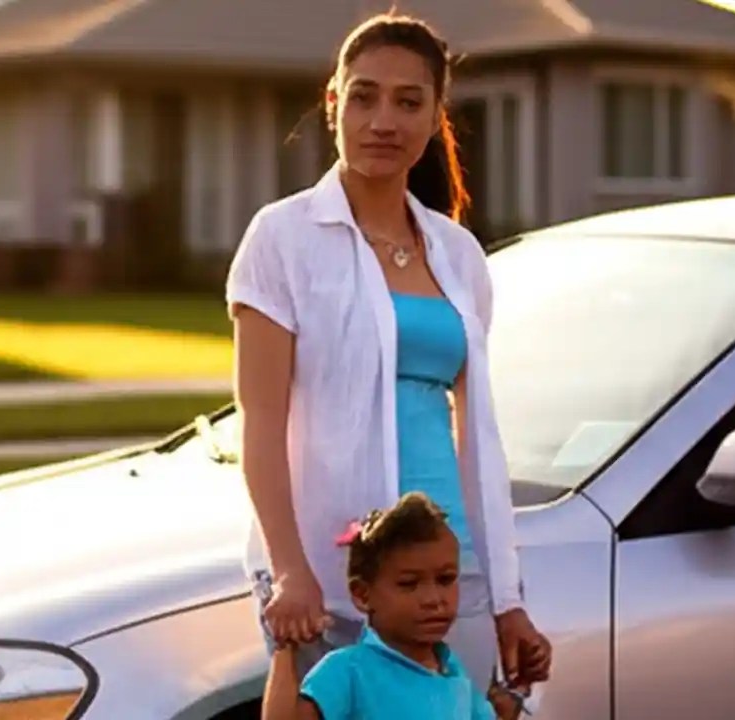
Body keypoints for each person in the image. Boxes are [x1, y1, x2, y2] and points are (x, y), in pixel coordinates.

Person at [227, 10, 552, 697]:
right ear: (332, 102)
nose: (384, 119)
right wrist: (289, 570)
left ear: (436, 117)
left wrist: (506, 596)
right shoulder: (282, 239)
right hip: (334, 575)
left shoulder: (459, 255)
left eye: (409, 102)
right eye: (365, 95)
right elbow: (260, 419)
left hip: (449, 572)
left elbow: (480, 436)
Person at [261, 493, 528, 720]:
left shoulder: (451, 671)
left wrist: (517, 690)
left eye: (445, 580)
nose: (434, 599)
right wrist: (284, 649)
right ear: (363, 595)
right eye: (409, 584)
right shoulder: (350, 669)